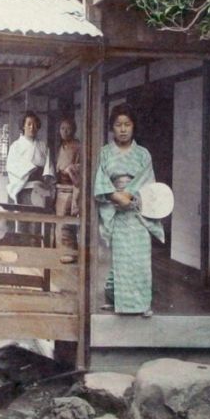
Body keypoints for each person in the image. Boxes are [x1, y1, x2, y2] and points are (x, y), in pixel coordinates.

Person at [94, 104, 164, 316]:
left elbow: (147, 181)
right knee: (121, 260)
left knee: (140, 259)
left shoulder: (143, 154)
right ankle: (119, 302)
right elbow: (100, 180)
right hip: (115, 210)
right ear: (112, 128)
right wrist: (116, 196)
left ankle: (142, 305)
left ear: (133, 127)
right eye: (118, 125)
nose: (123, 129)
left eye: (127, 124)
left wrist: (129, 195)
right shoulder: (104, 153)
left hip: (136, 212)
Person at [5, 112, 51, 208]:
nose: (32, 127)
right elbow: (11, 166)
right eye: (29, 124)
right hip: (24, 186)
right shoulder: (16, 146)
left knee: (39, 218)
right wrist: (30, 169)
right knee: (25, 217)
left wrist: (46, 174)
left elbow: (48, 165)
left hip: (40, 186)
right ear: (23, 126)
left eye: (35, 124)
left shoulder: (43, 146)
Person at [53, 117, 83, 260]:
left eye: (68, 128)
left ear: (73, 130)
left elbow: (81, 166)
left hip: (72, 188)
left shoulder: (78, 146)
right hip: (60, 188)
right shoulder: (61, 146)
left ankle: (70, 253)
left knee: (67, 220)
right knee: (60, 221)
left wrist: (70, 169)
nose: (65, 131)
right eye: (62, 128)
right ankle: (62, 251)